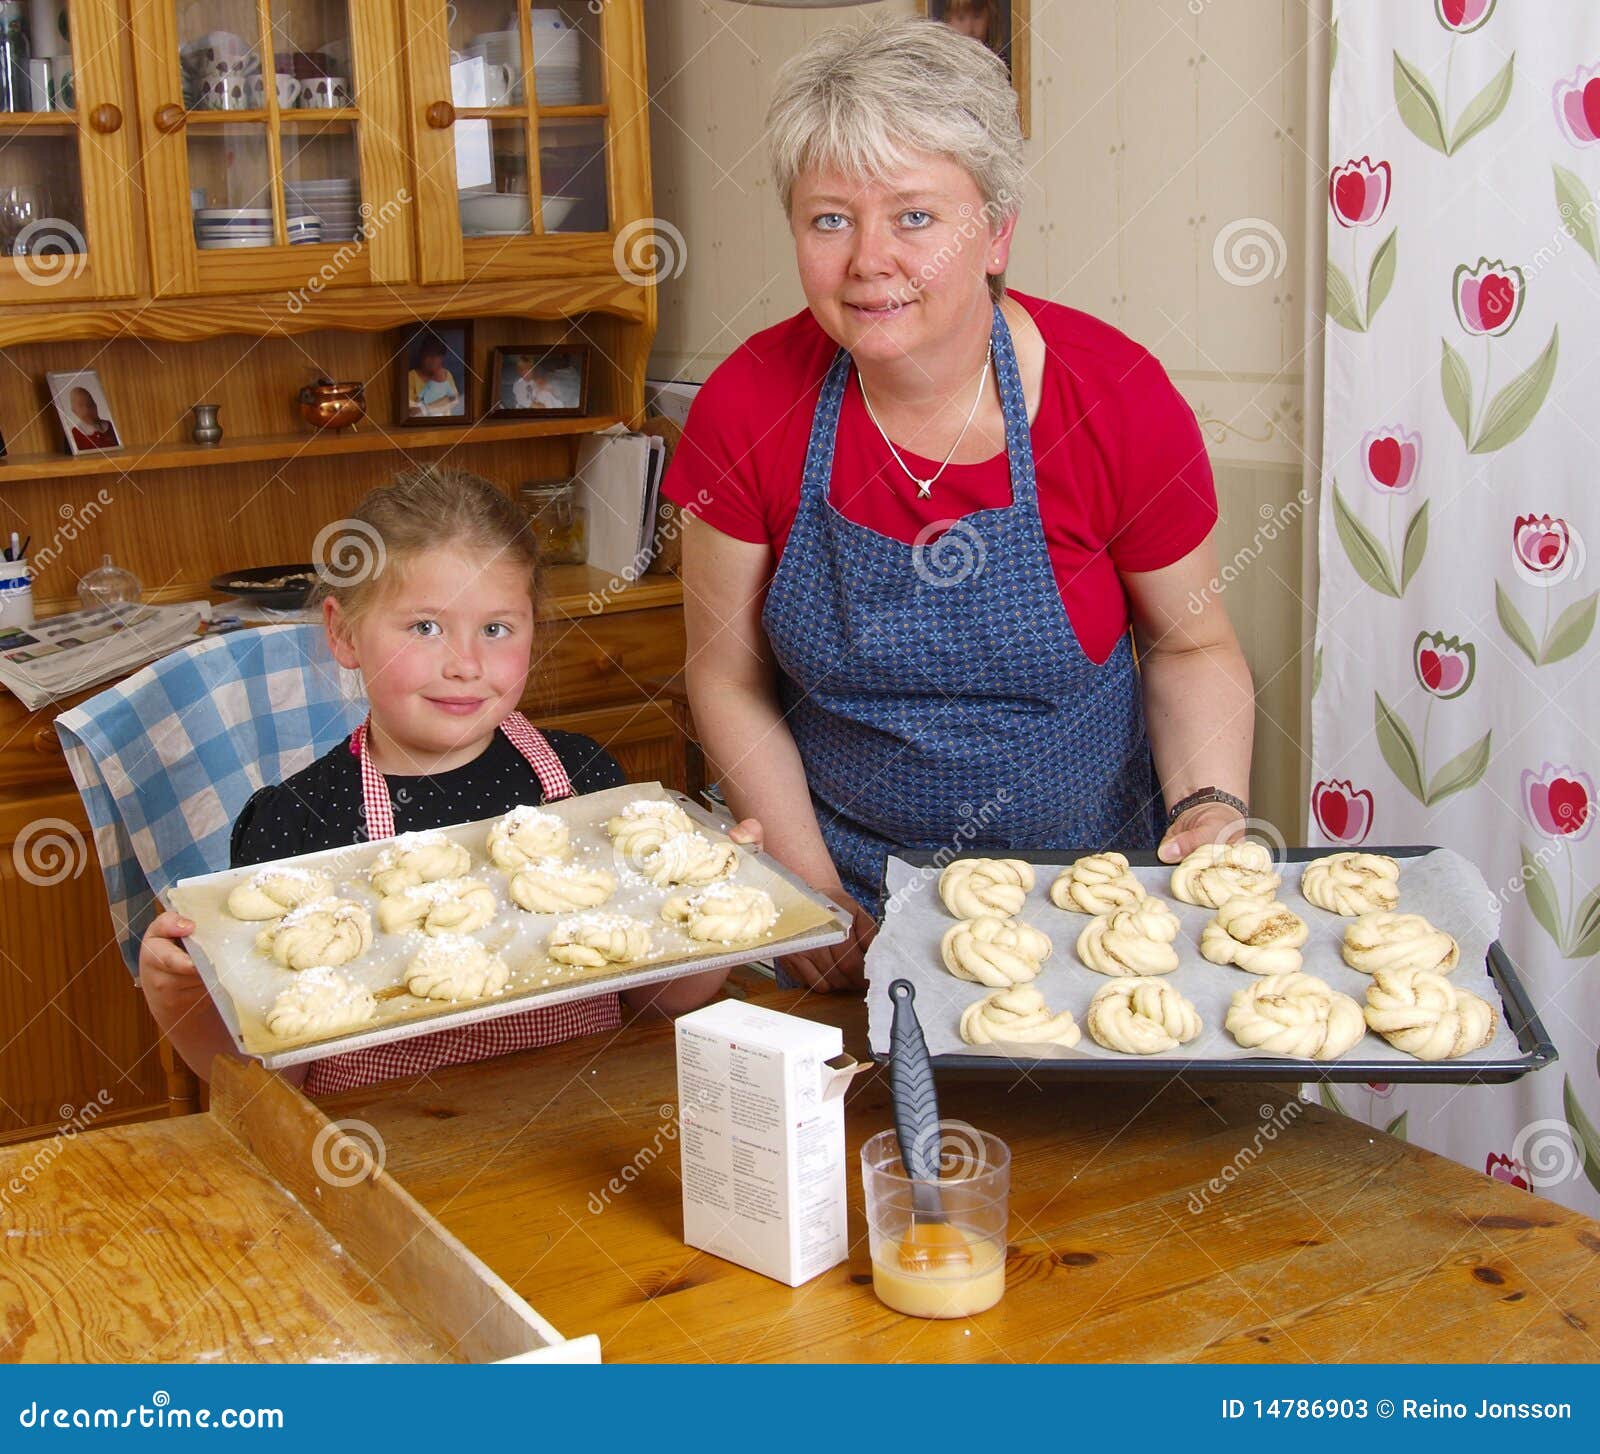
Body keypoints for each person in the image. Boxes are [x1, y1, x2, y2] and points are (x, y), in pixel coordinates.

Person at [662, 18, 1255, 994]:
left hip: (1087, 919)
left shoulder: (1113, 400)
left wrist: (1211, 799)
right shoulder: (749, 403)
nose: (867, 260)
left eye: (915, 217)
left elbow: (1192, 646)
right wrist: (805, 889)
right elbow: (725, 675)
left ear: (997, 229)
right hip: (846, 915)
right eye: (828, 219)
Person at [138, 466, 760, 1096]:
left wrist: (725, 913)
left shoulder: (585, 783)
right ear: (344, 632)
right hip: (376, 1150)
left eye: (496, 629)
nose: (465, 665)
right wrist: (179, 1000)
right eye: (425, 627)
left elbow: (658, 999)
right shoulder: (296, 822)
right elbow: (267, 1079)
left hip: (580, 1128)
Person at [407, 337, 462, 416]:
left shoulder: (446, 374)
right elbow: (412, 411)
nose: (433, 360)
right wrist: (442, 402)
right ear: (422, 354)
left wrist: (424, 409)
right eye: (429, 355)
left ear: (442, 358)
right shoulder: (411, 377)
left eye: (438, 356)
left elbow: (454, 400)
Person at [66, 385, 118, 450]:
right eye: (81, 406)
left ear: (95, 405)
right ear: (74, 411)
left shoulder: (111, 426)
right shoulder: (74, 434)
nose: (87, 409)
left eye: (90, 403)